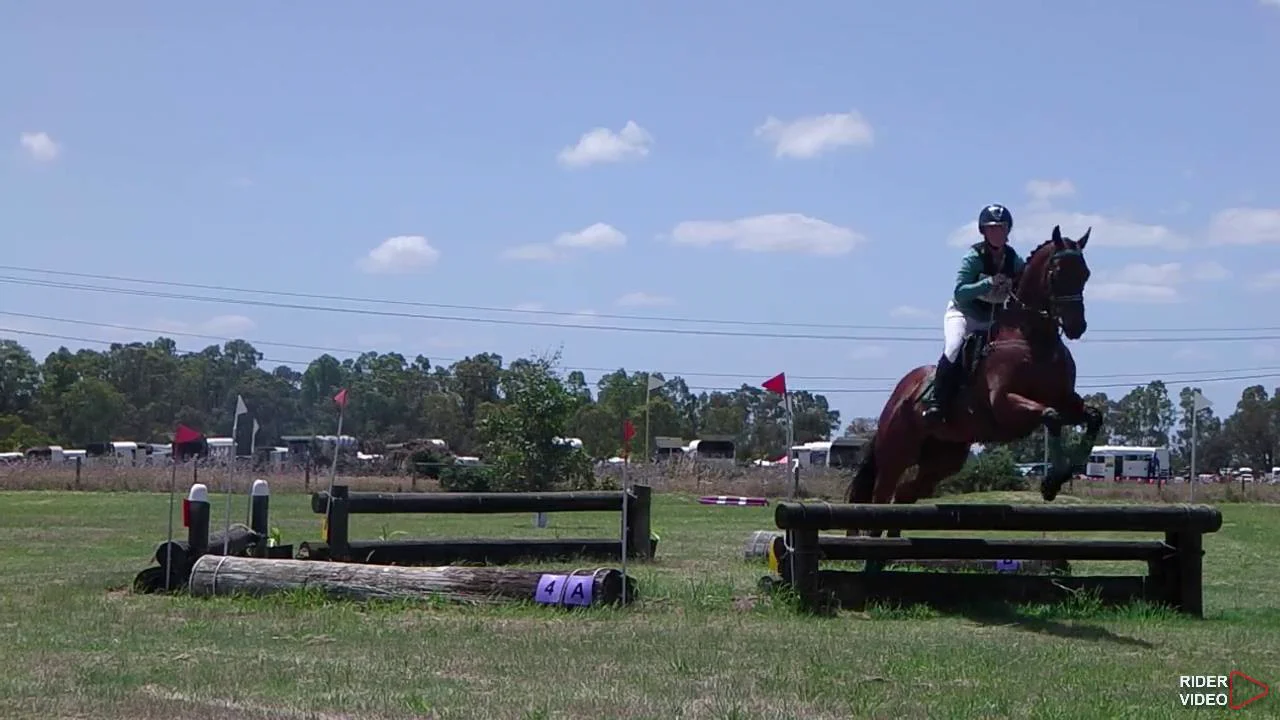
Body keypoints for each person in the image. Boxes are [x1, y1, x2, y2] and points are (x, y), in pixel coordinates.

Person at [921, 203, 1026, 423]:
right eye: (992, 228)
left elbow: (1026, 281)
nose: (997, 233)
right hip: (964, 314)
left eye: (1001, 228)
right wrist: (987, 283)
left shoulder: (1013, 258)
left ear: (1008, 231)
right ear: (984, 231)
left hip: (992, 318)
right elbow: (960, 292)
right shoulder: (974, 256)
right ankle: (935, 399)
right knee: (954, 347)